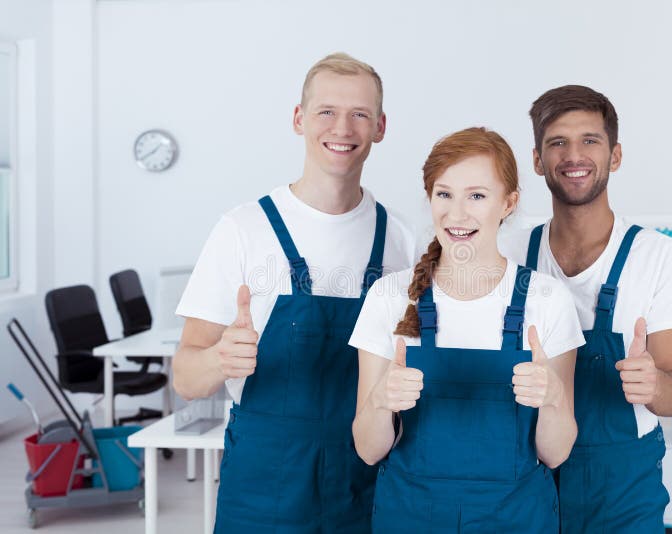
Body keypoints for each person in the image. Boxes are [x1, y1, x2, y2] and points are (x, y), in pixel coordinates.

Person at [172, 53, 417, 532]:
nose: (342, 128)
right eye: (326, 111)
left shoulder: (402, 240)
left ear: (381, 126)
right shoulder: (242, 230)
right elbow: (185, 379)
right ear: (298, 119)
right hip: (266, 484)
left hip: (366, 480)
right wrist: (220, 359)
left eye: (360, 114)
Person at [350, 127, 585, 532]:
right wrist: (380, 402)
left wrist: (553, 398)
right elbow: (368, 450)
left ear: (508, 203)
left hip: (515, 518)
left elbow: (556, 452)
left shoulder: (547, 300)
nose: (456, 214)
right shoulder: (389, 297)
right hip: (411, 518)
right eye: (444, 194)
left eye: (476, 196)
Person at [499, 85, 672, 533]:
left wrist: (653, 384)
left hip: (621, 486)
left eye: (590, 141)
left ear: (615, 155)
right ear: (537, 160)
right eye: (557, 142)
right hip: (524, 473)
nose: (574, 156)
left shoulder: (657, 257)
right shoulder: (509, 252)